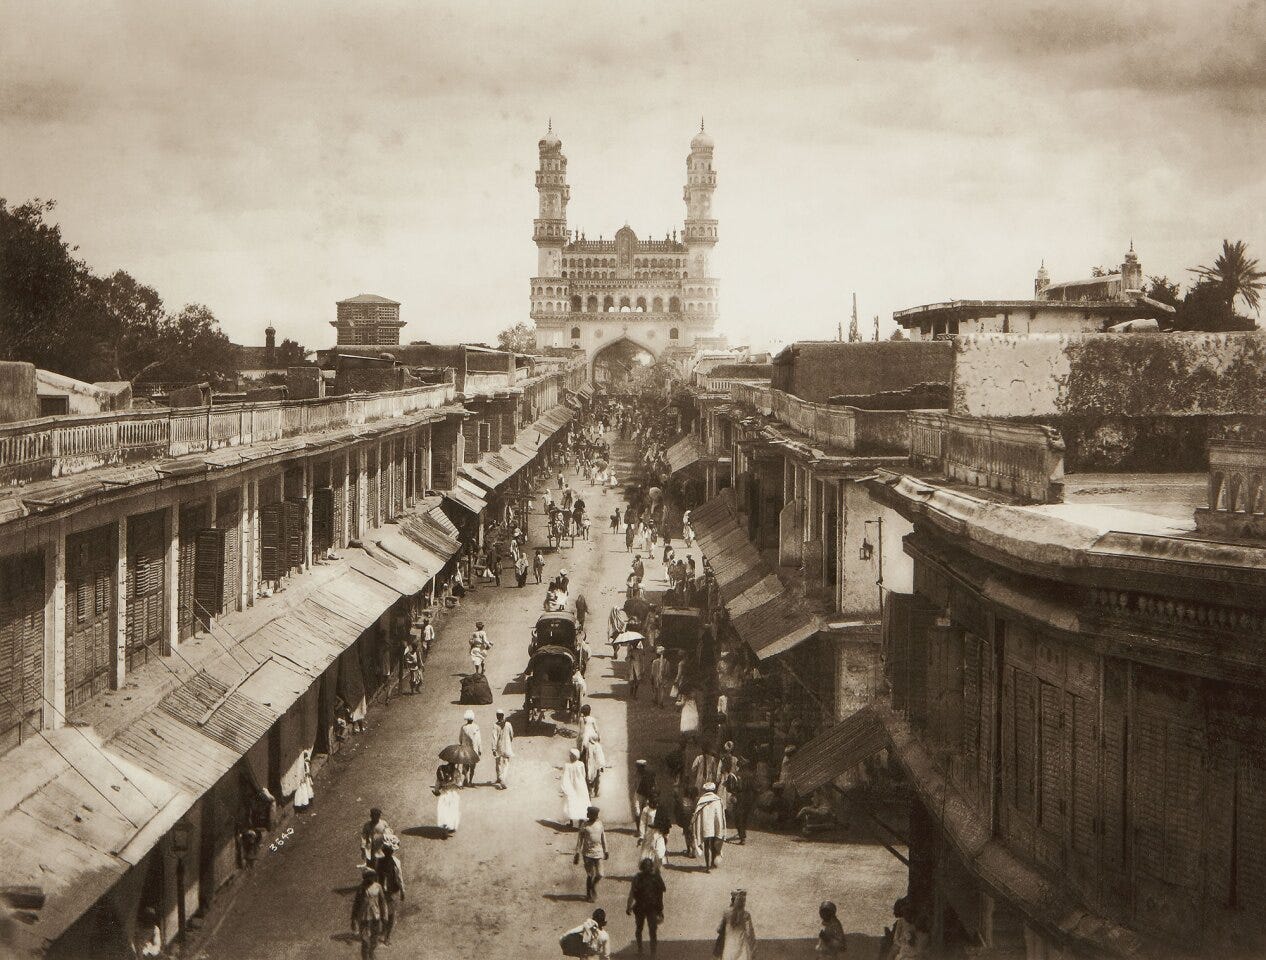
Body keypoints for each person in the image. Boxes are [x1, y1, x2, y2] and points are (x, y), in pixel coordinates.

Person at [627, 857, 667, 956]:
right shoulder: (656, 877)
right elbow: (661, 892)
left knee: (639, 929)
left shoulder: (637, 877)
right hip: (652, 908)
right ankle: (653, 953)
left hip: (641, 907)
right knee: (652, 931)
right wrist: (660, 909)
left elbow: (632, 893)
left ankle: (641, 950)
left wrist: (628, 906)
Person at [351, 865, 388, 960]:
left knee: (374, 939)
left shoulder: (378, 887)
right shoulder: (361, 888)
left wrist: (385, 916)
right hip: (364, 917)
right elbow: (356, 904)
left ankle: (371, 953)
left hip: (376, 916)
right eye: (369, 876)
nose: (371, 878)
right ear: (365, 877)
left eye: (372, 875)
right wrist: (353, 919)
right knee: (365, 941)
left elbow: (383, 902)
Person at [574, 805, 610, 902]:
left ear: (594, 815)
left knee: (600, 874)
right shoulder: (584, 825)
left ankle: (593, 886)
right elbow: (580, 840)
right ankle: (588, 894)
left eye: (589, 813)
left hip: (598, 853)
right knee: (590, 875)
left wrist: (606, 850)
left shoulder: (600, 824)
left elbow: (603, 837)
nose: (587, 814)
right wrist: (577, 853)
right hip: (587, 854)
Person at [376, 838, 406, 945]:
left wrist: (402, 890)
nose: (387, 852)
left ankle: (387, 936)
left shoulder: (395, 863)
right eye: (386, 850)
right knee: (384, 914)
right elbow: (376, 877)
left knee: (391, 915)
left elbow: (399, 877)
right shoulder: (379, 862)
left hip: (392, 892)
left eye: (389, 851)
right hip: (382, 892)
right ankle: (385, 931)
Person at [692, 782, 726, 871]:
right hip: (715, 826)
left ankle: (707, 866)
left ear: (704, 790)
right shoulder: (718, 800)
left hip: (705, 827)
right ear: (714, 790)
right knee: (714, 844)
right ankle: (712, 863)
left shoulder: (700, 800)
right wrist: (719, 826)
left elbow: (697, 815)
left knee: (707, 846)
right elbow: (720, 815)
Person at [715, 890, 756, 960]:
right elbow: (749, 933)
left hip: (729, 947)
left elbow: (719, 929)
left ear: (732, 900)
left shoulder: (726, 913)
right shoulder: (746, 915)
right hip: (742, 947)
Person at [576, 704, 605, 796]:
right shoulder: (592, 719)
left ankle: (588, 789)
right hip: (595, 743)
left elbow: (581, 733)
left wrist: (579, 746)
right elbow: (597, 731)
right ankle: (596, 789)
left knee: (586, 764)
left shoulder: (582, 720)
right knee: (597, 765)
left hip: (587, 743)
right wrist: (598, 740)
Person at [561, 748, 591, 828]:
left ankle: (575, 822)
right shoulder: (580, 764)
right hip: (579, 785)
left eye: (571, 755)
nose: (570, 756)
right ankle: (577, 822)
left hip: (574, 785)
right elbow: (584, 775)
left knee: (573, 801)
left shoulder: (569, 765)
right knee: (577, 801)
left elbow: (565, 776)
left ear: (574, 756)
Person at [434, 762, 461, 833]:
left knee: (444, 809)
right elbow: (460, 784)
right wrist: (457, 783)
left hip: (444, 793)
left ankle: (445, 824)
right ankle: (452, 825)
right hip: (453, 794)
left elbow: (437, 782)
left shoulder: (442, 770)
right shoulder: (456, 771)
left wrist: (436, 791)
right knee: (453, 810)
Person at [459, 709, 482, 786]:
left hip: (465, 749)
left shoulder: (463, 727)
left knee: (465, 765)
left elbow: (460, 739)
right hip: (473, 750)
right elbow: (478, 739)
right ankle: (470, 781)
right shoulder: (476, 727)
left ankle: (466, 778)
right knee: (472, 767)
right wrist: (480, 749)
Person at [632, 758, 657, 831]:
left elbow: (654, 783)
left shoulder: (650, 773)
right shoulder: (638, 773)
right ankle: (639, 830)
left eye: (638, 767)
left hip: (645, 795)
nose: (637, 768)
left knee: (644, 812)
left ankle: (643, 830)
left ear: (642, 767)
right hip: (640, 794)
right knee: (638, 812)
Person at [493, 709, 514, 790]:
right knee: (506, 763)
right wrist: (509, 741)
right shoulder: (508, 724)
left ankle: (499, 777)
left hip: (498, 747)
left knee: (498, 762)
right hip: (507, 746)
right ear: (503, 716)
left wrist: (493, 749)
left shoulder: (495, 725)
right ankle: (503, 778)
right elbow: (512, 734)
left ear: (497, 716)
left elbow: (494, 737)